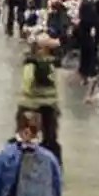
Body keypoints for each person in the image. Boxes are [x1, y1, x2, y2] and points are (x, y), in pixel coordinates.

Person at [18, 34, 61, 164]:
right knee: (51, 140)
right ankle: (55, 165)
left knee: (25, 140)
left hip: (30, 107)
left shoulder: (30, 63)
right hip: (49, 106)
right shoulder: (51, 63)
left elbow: (27, 85)